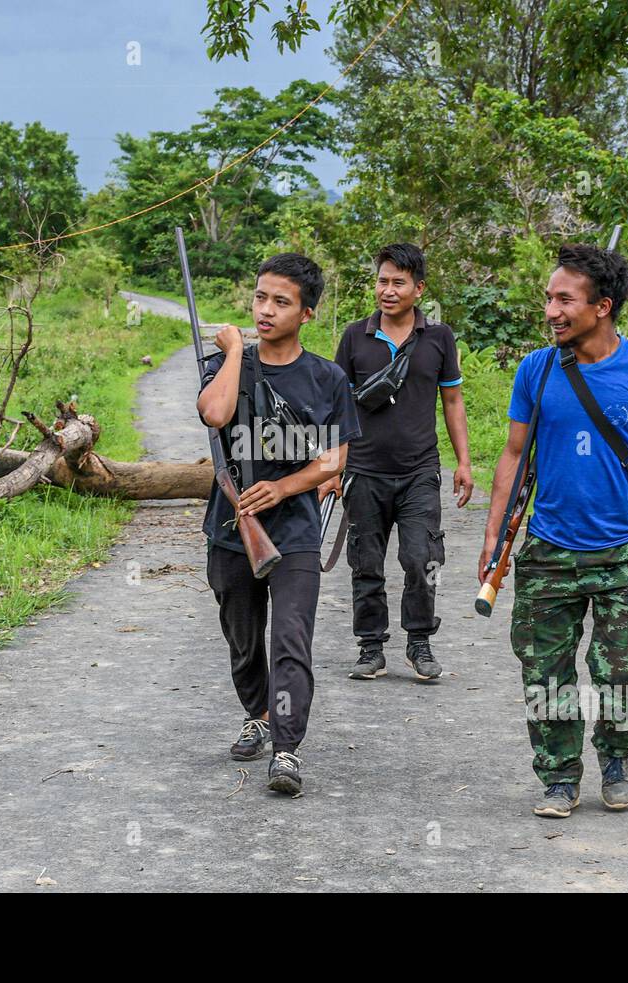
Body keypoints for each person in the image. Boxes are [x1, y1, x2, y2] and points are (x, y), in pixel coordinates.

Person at [479, 243, 628, 819]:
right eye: (548, 298)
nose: (551, 309)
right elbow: (513, 455)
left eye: (565, 299)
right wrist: (492, 539)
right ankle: (559, 778)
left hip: (623, 551)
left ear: (602, 306)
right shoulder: (536, 369)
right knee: (545, 673)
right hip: (547, 550)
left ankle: (615, 758)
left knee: (626, 668)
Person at [198, 253, 360, 796]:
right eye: (260, 298)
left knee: (291, 638)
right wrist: (234, 356)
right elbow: (215, 415)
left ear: (307, 313)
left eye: (281, 302)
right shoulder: (228, 362)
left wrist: (284, 486)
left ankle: (286, 749)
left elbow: (333, 461)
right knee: (242, 640)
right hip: (230, 528)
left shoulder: (327, 378)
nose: (265, 310)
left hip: (293, 531)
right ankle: (259, 713)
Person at [328, 243, 472, 682]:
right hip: (364, 471)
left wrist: (463, 462)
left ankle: (420, 642)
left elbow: (452, 400)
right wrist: (333, 468)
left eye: (398, 283)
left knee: (420, 557)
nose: (387, 290)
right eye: (382, 281)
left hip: (419, 471)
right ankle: (371, 648)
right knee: (365, 563)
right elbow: (335, 406)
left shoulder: (439, 338)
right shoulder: (355, 336)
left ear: (418, 288)